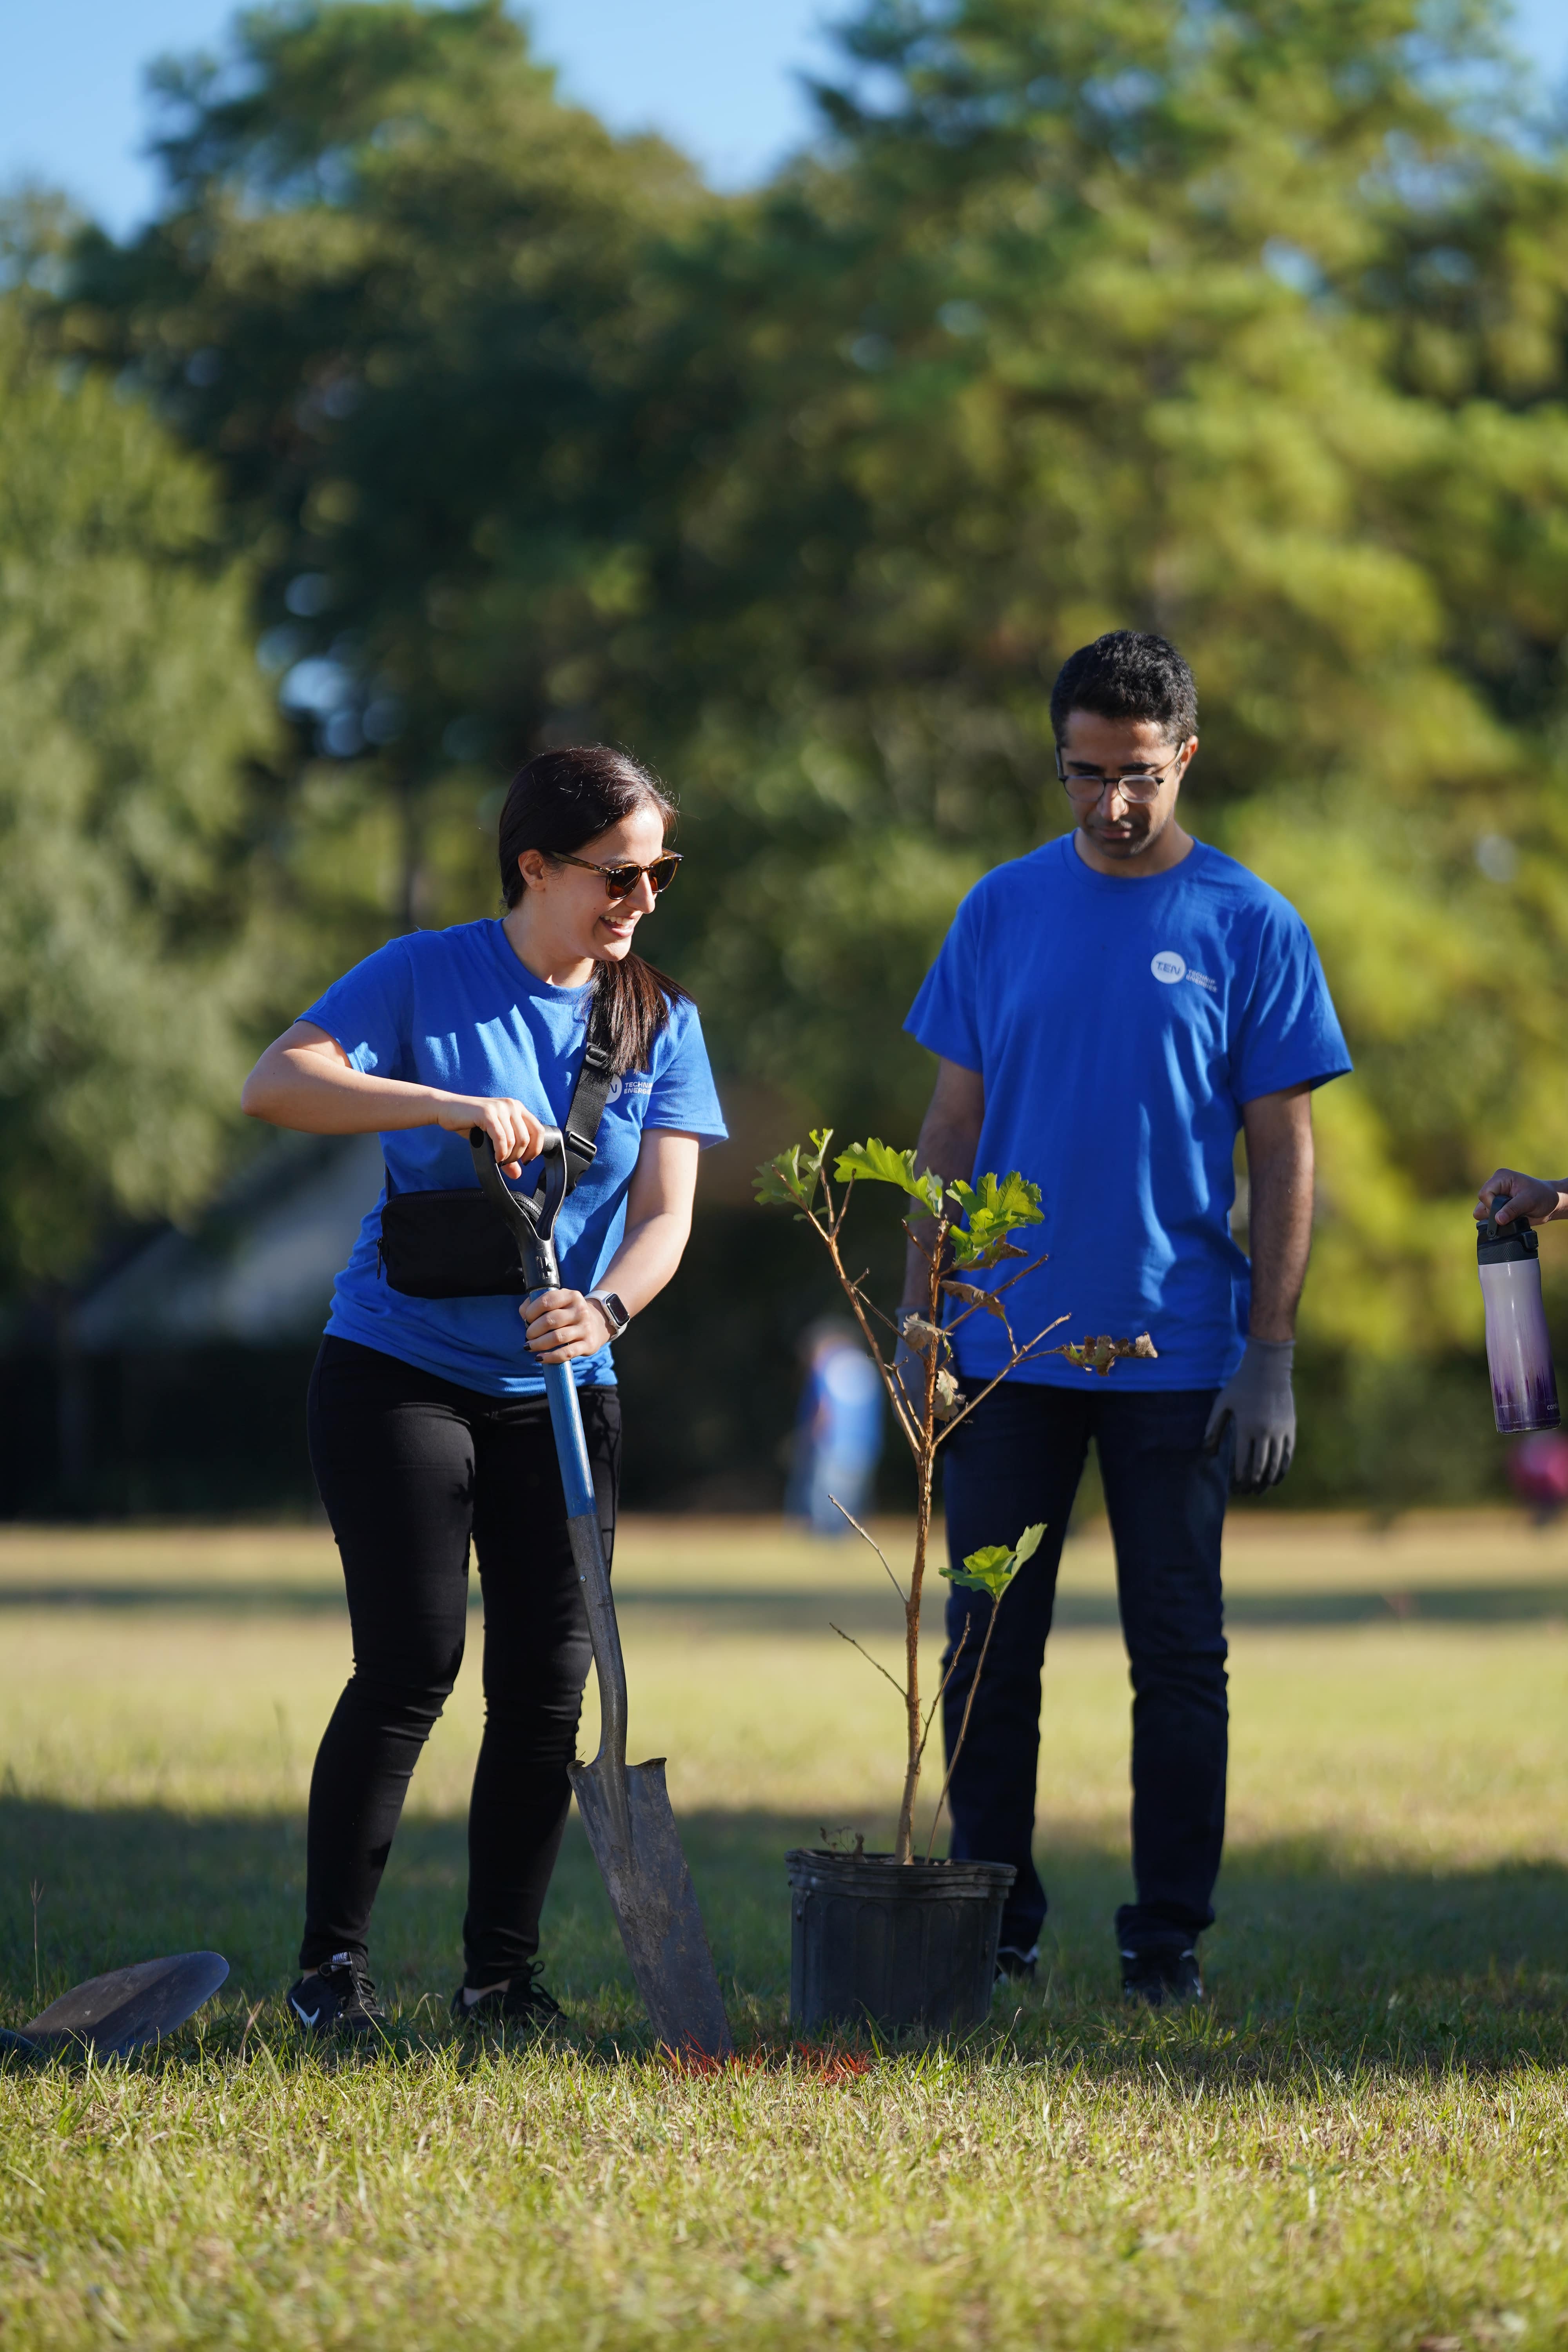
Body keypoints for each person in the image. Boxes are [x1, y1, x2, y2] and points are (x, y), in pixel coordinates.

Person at [240, 746, 726, 2037]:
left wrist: (605, 1306)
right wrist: (446, 1101)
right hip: (399, 1369)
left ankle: (499, 1983)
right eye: (621, 874)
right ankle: (329, 1977)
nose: (644, 900)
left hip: (569, 1389)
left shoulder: (659, 1022)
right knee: (411, 1664)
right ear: (536, 867)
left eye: (659, 872)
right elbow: (276, 1082)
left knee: (547, 1693)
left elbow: (670, 1216)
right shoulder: (421, 976)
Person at [900, 631, 1352, 2004]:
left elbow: (1286, 1154)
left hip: (1180, 1355)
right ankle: (1002, 1926)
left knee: (1181, 1660)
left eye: (1139, 776)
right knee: (988, 1650)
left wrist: (1270, 1357)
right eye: (1086, 774)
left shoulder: (1250, 923)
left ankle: (1167, 1943)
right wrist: (924, 1324)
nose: (1112, 803)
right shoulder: (998, 909)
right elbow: (949, 1128)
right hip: (1005, 1351)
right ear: (1060, 759)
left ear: (1186, 760)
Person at [786, 1319, 886, 1535]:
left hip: (832, 1442)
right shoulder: (865, 1364)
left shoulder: (827, 1364)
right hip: (866, 1442)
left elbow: (822, 1408)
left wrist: (807, 1438)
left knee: (824, 1502)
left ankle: (825, 1540)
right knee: (853, 1500)